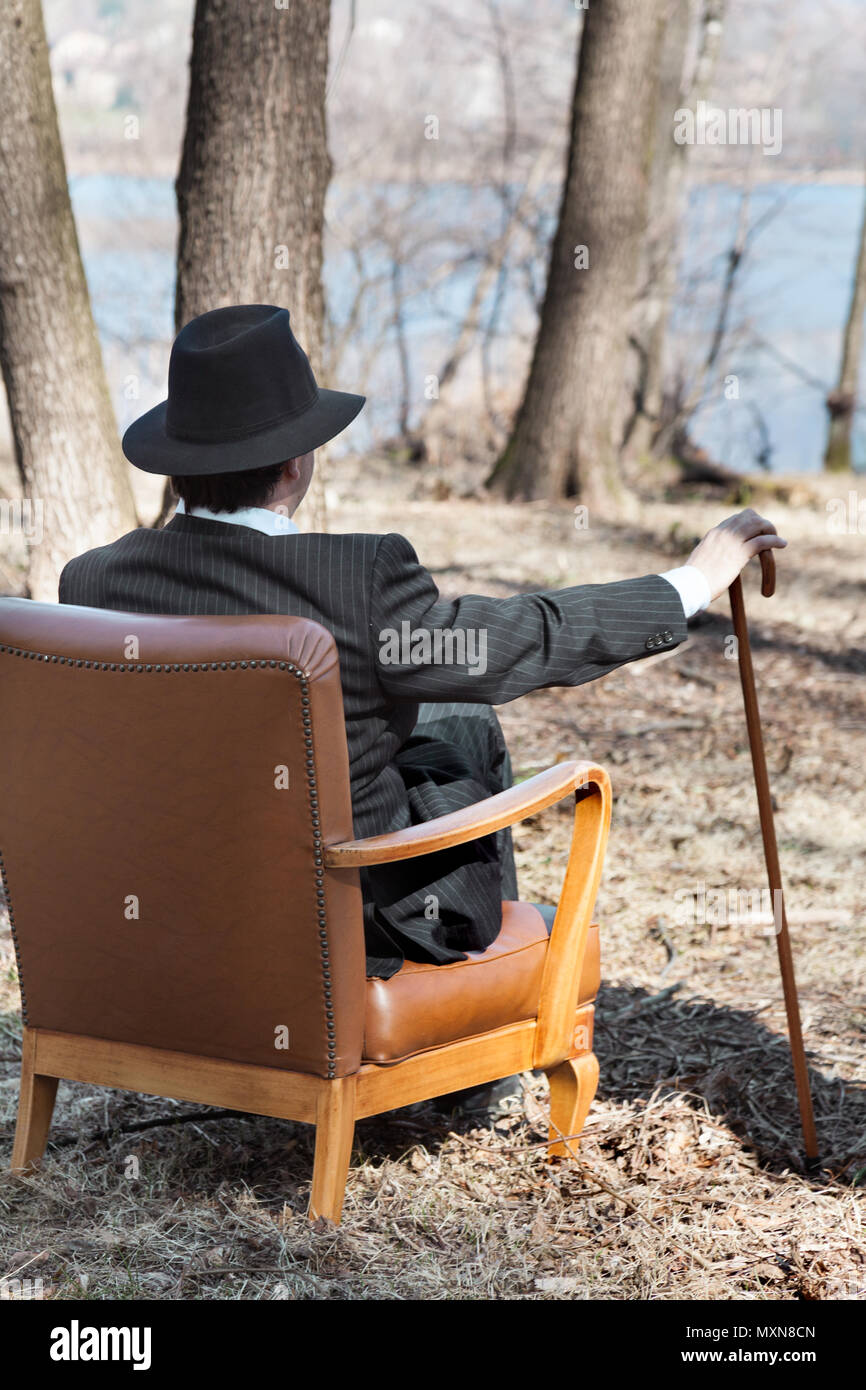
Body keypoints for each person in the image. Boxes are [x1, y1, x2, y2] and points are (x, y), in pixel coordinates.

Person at [59, 305, 787, 1112]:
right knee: (465, 722)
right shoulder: (354, 579)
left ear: (178, 464)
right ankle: (472, 1048)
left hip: (165, 919)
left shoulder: (92, 584)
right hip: (339, 922)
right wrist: (689, 583)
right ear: (298, 463)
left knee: (443, 711)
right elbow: (520, 642)